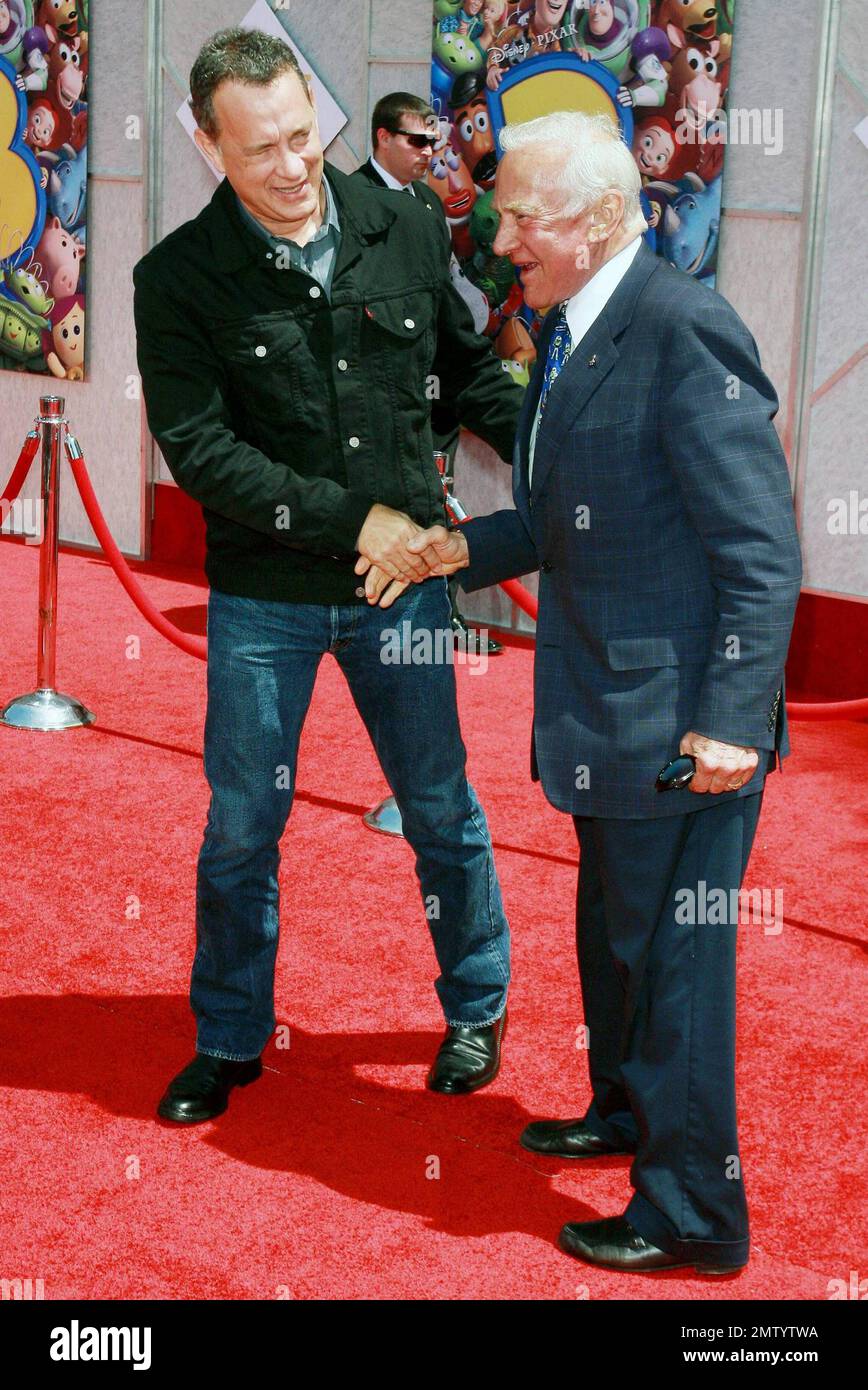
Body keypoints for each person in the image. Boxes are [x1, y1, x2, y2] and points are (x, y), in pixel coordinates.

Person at [403, 110, 803, 1275]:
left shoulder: (683, 331)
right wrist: (449, 551)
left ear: (597, 220)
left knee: (676, 972)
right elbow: (548, 516)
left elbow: (763, 554)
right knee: (614, 944)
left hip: (680, 731)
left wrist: (730, 724)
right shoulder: (576, 325)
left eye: (522, 215)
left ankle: (693, 1218)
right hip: (603, 718)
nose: (501, 236)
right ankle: (624, 1114)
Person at [132, 28, 522, 1124]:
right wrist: (365, 519)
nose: (294, 166)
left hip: (404, 596)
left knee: (441, 807)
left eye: (303, 136)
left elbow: (467, 372)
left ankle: (476, 1006)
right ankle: (228, 1036)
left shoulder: (403, 222)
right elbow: (203, 451)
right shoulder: (177, 280)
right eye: (261, 150)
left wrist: (564, 454)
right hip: (267, 598)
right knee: (242, 825)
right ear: (210, 146)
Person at [353, 91, 502, 656]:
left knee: (439, 498)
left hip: (436, 386)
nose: (429, 153)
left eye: (435, 142)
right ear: (383, 139)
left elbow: (449, 294)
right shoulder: (347, 201)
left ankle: (442, 618)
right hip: (376, 393)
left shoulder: (428, 204)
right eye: (417, 141)